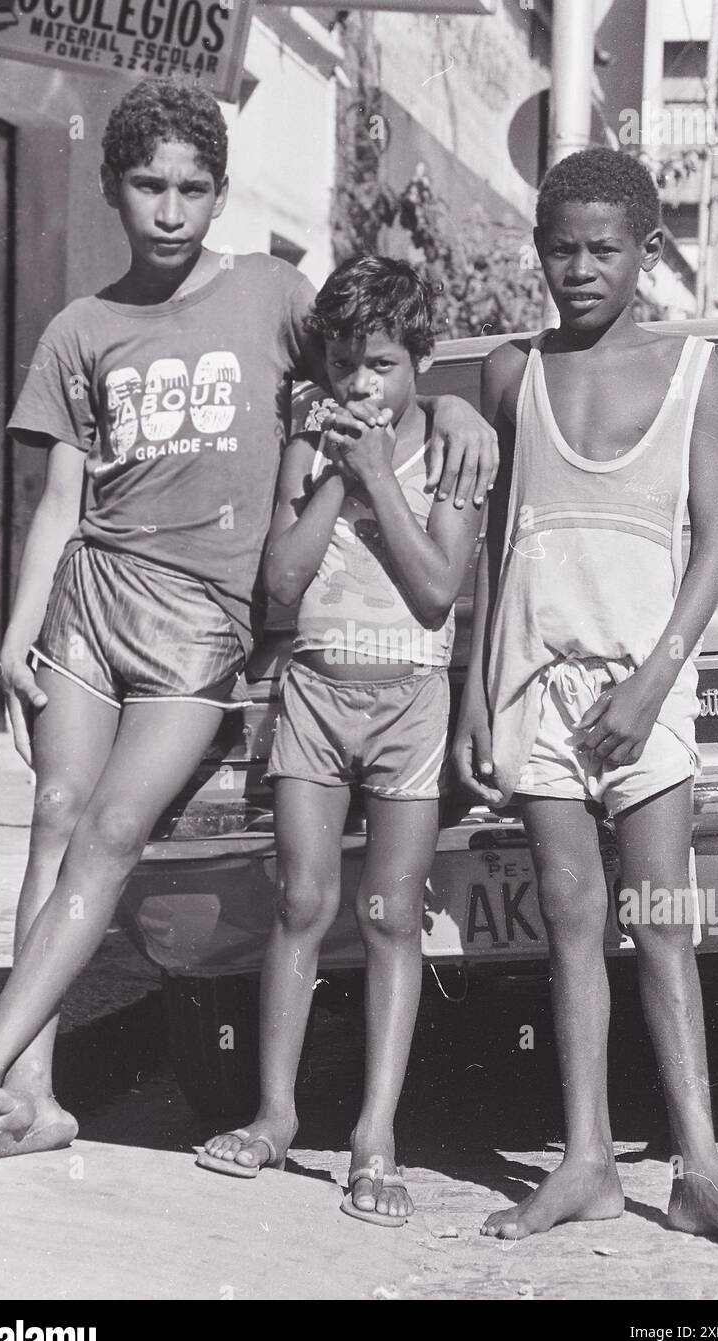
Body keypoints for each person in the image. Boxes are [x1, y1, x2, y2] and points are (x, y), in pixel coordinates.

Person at [0, 80, 497, 1164]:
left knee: (111, 829)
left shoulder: (269, 292)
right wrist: (15, 634)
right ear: (112, 186)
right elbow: (61, 501)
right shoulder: (78, 329)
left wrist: (460, 401)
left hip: (200, 619)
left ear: (220, 195)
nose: (168, 208)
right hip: (90, 600)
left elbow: (373, 351)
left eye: (191, 188)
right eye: (147, 184)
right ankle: (36, 1096)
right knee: (56, 811)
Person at [454, 147, 718, 1253]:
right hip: (535, 688)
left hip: (641, 695)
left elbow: (713, 543)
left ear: (646, 251)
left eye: (603, 249)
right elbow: (496, 550)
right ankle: (587, 1158)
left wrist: (653, 680)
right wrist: (474, 695)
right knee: (566, 921)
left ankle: (699, 1167)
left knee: (657, 921)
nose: (579, 270)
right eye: (559, 250)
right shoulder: (513, 375)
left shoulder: (689, 371)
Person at [198, 256, 482, 1225]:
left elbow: (438, 587)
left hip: (407, 703)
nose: (360, 385)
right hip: (315, 693)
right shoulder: (306, 443)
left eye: (381, 365)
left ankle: (374, 1135)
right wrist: (330, 475)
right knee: (301, 900)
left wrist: (375, 477)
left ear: (417, 366)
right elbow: (278, 586)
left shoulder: (450, 451)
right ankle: (274, 1113)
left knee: (390, 915)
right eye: (345, 364)